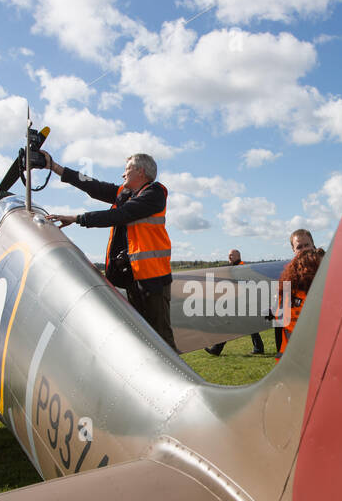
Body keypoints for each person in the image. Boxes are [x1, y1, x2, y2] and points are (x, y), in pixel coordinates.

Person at [40, 152, 177, 350]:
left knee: (161, 339)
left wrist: (78, 218)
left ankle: (174, 379)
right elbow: (92, 185)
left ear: (140, 171)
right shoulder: (126, 193)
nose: (122, 175)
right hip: (134, 278)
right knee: (142, 340)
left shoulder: (154, 194)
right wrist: (55, 167)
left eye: (126, 169)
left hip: (153, 280)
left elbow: (120, 215)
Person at [204, 249, 265, 356]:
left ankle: (216, 349)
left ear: (238, 256)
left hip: (243, 301)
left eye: (232, 255)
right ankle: (258, 348)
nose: (229, 257)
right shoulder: (233, 268)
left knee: (230, 324)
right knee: (249, 325)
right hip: (239, 301)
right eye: (229, 255)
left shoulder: (241, 268)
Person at [276, 229, 326, 357]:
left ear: (313, 245)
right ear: (293, 250)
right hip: (295, 356)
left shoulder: (327, 269)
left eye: (307, 245)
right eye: (299, 247)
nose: (304, 249)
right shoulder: (287, 281)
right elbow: (281, 321)